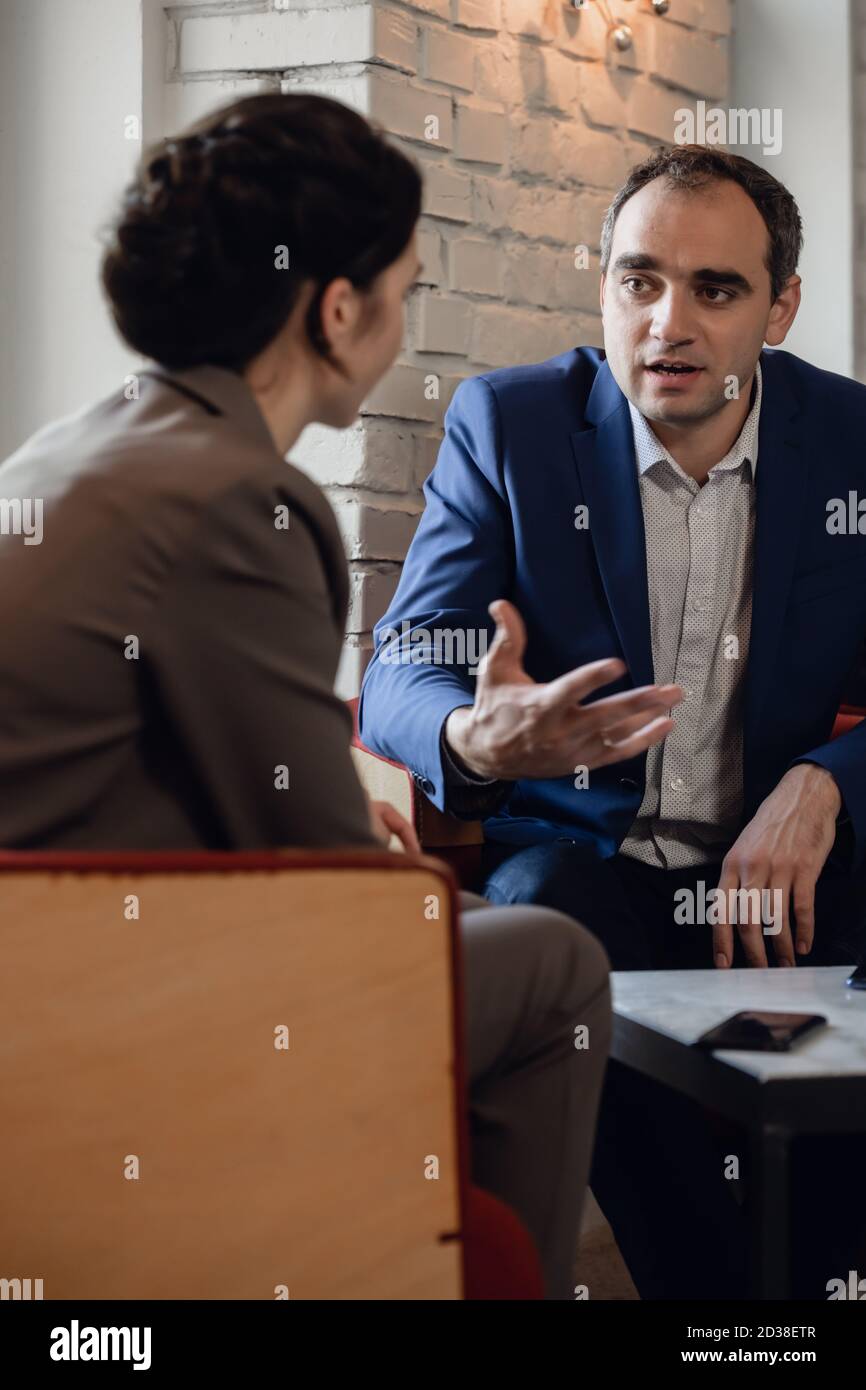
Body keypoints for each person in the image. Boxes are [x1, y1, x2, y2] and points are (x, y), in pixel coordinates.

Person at [0, 94, 679, 1299]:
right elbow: (325, 901)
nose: (404, 328)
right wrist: (388, 854)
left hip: (56, 976)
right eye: (405, 291)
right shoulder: (235, 496)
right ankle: (403, 1265)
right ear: (335, 308)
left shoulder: (75, 448)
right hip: (104, 1015)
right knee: (557, 961)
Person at [359, 144, 866, 1298]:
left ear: (780, 307)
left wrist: (823, 781)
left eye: (714, 289)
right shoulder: (511, 426)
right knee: (552, 927)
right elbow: (401, 663)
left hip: (778, 869)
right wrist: (470, 739)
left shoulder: (848, 442)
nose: (665, 323)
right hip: (586, 863)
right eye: (637, 281)